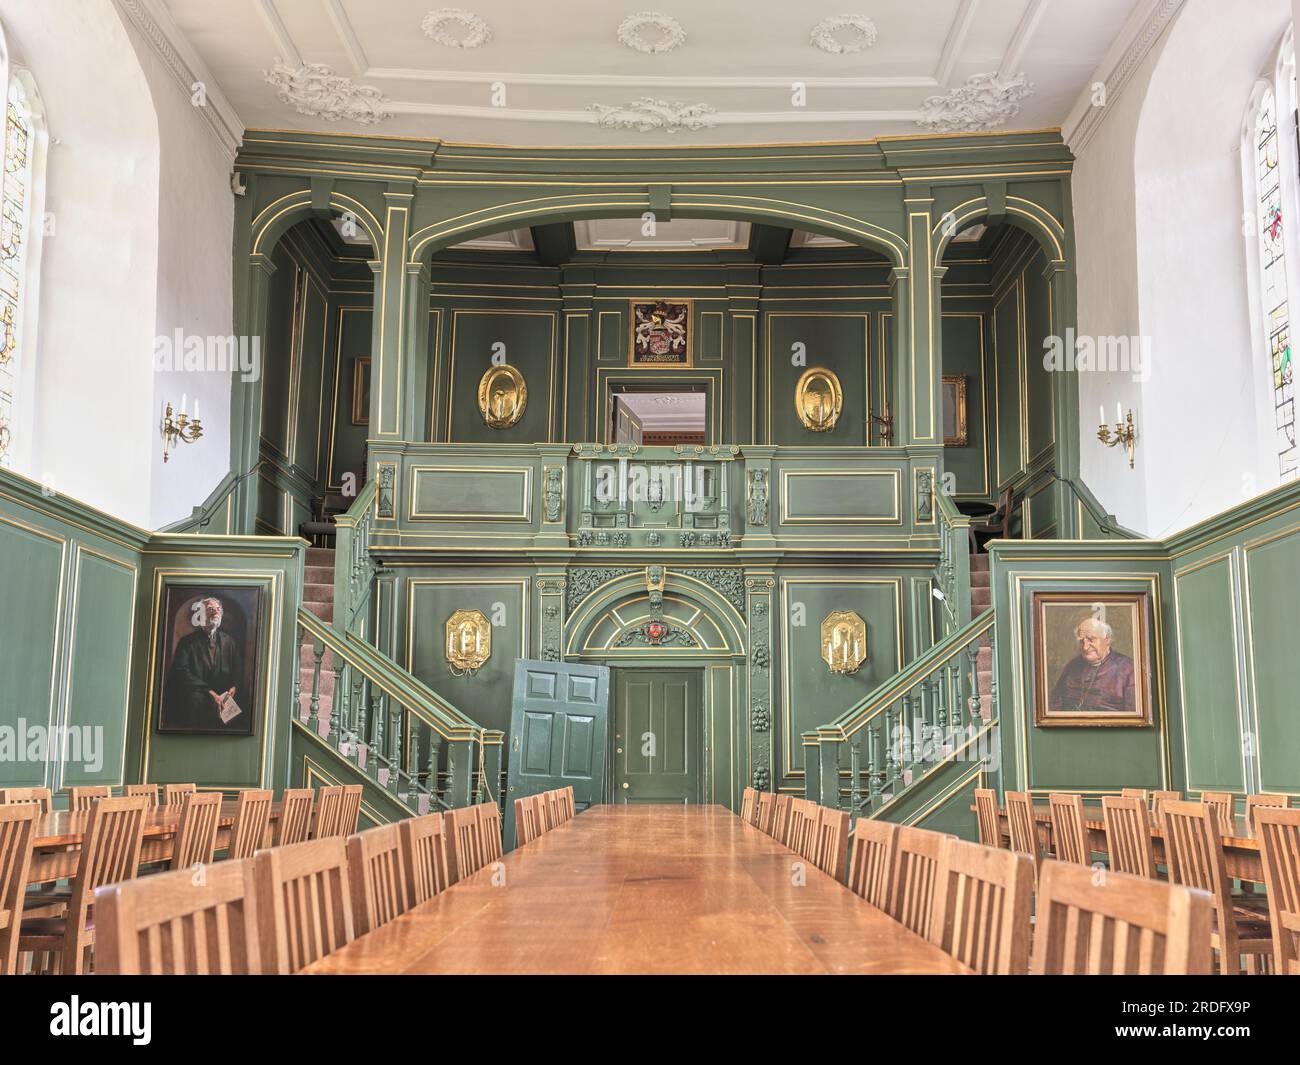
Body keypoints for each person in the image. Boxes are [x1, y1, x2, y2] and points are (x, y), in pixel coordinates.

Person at [162, 596, 244, 730]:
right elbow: (180, 672)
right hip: (197, 695)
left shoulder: (229, 642)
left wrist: (234, 686)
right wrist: (209, 692)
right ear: (200, 615)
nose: (215, 612)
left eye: (218, 609)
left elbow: (237, 669)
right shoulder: (187, 642)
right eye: (210, 609)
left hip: (224, 697)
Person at [1050, 615, 1136, 712]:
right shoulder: (1073, 665)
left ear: (1107, 640)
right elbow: (1054, 705)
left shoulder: (1129, 669)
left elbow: (1133, 715)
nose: (1085, 647)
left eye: (1091, 640)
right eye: (1082, 641)